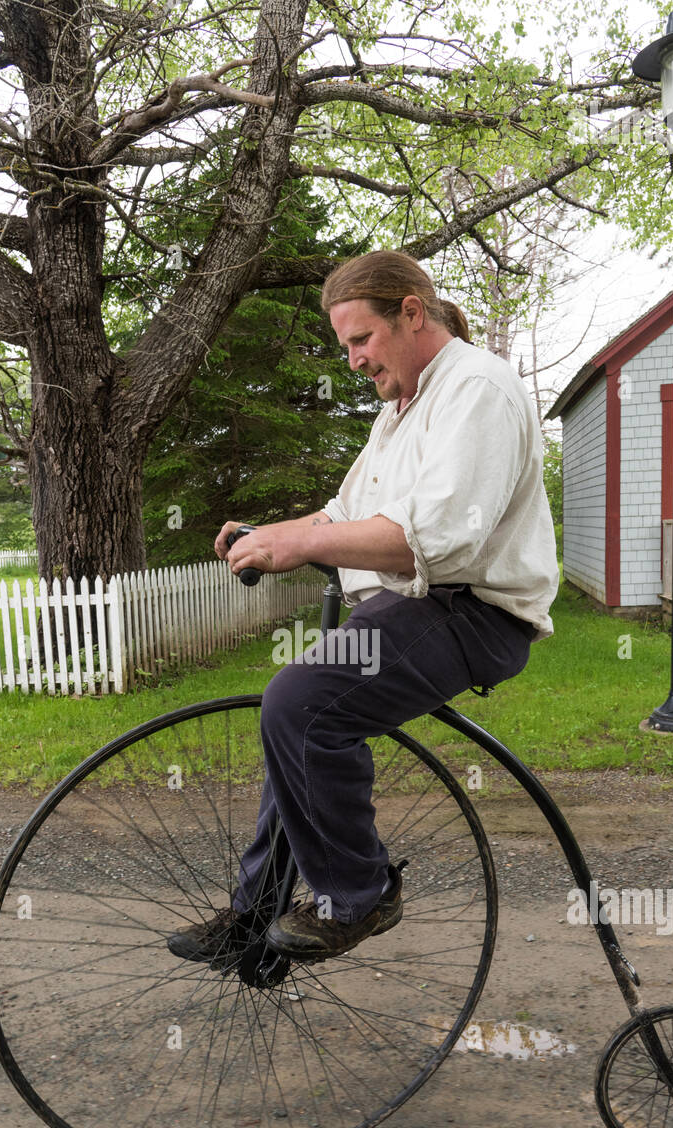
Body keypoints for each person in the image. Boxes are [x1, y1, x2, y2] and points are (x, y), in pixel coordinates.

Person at [168, 249, 559, 966]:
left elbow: (432, 539)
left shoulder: (477, 389)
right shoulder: (403, 408)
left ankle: (361, 894)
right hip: (411, 607)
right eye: (344, 344)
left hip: (473, 613)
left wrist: (302, 540)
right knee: (293, 733)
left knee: (300, 707)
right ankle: (256, 920)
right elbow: (347, 512)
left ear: (411, 312)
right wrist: (276, 533)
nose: (352, 361)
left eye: (360, 340)